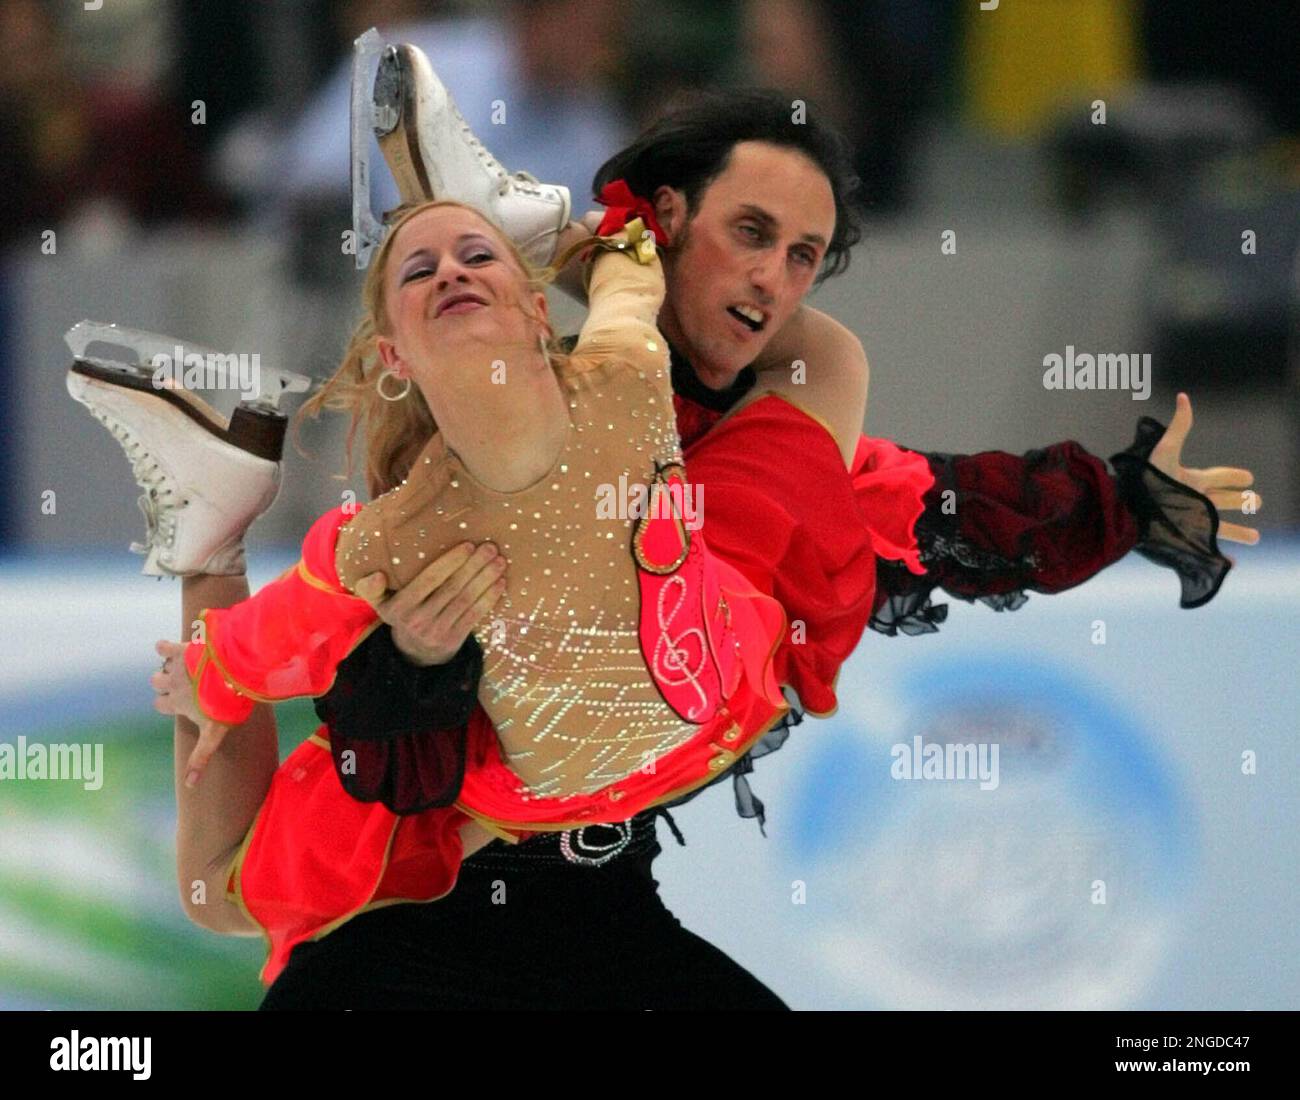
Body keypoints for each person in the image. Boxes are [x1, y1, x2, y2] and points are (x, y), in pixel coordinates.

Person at [69, 65, 1259, 1008]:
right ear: (662, 223)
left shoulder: (718, 406)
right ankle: (206, 531)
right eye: (751, 233)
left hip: (597, 892)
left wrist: (1121, 501)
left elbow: (910, 496)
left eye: (802, 254)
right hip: (417, 908)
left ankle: (214, 514)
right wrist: (333, 657)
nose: (776, 279)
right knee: (216, 892)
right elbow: (331, 622)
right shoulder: (499, 422)